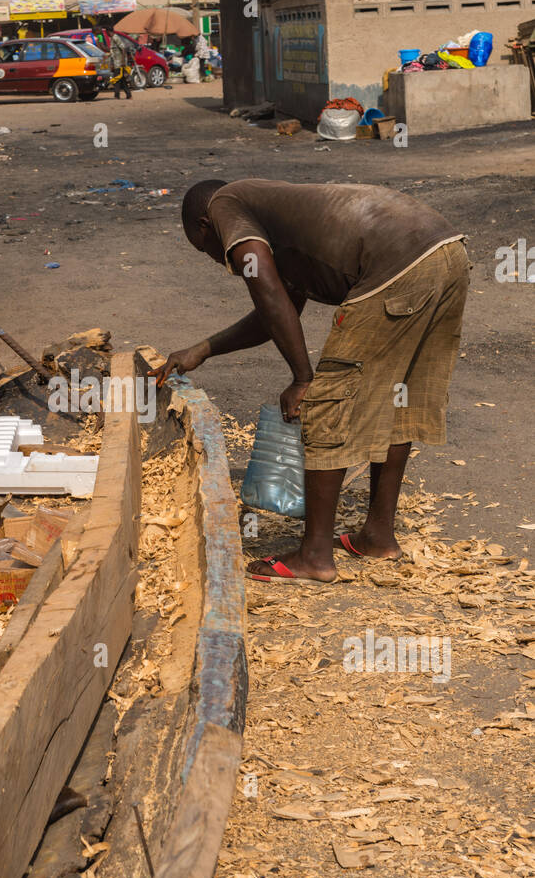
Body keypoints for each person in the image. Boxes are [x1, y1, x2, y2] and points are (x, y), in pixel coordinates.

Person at [154, 178, 470, 584]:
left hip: (394, 262)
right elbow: (278, 309)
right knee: (397, 400)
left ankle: (314, 557)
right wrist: (203, 349)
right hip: (445, 253)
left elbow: (267, 291)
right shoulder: (277, 219)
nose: (221, 261)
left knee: (325, 406)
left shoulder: (223, 205)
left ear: (204, 226)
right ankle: (377, 536)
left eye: (207, 250)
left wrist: (303, 378)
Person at [109, 31, 134, 99]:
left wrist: (123, 61)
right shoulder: (112, 38)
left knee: (116, 79)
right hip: (116, 63)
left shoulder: (115, 38)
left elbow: (123, 48)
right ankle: (128, 95)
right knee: (122, 79)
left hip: (119, 63)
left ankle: (117, 96)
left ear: (108, 31)